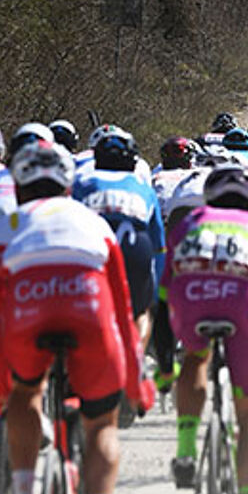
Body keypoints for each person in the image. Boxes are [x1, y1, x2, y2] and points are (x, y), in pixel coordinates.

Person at [0, 137, 151, 494]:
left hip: (28, 315)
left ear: (17, 187)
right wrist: (135, 387)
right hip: (91, 312)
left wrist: (6, 391)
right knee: (102, 423)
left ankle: (24, 487)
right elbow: (122, 312)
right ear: (69, 186)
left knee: (25, 395)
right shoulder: (95, 223)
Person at [156, 160, 248, 494]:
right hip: (243, 308)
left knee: (195, 357)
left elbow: (161, 298)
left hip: (191, 303)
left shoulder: (188, 222)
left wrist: (162, 362)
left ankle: (186, 449)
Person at [73, 126, 166, 352]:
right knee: (141, 312)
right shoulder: (143, 185)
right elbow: (158, 244)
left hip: (91, 247)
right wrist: (155, 294)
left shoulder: (81, 180)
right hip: (135, 246)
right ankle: (134, 361)